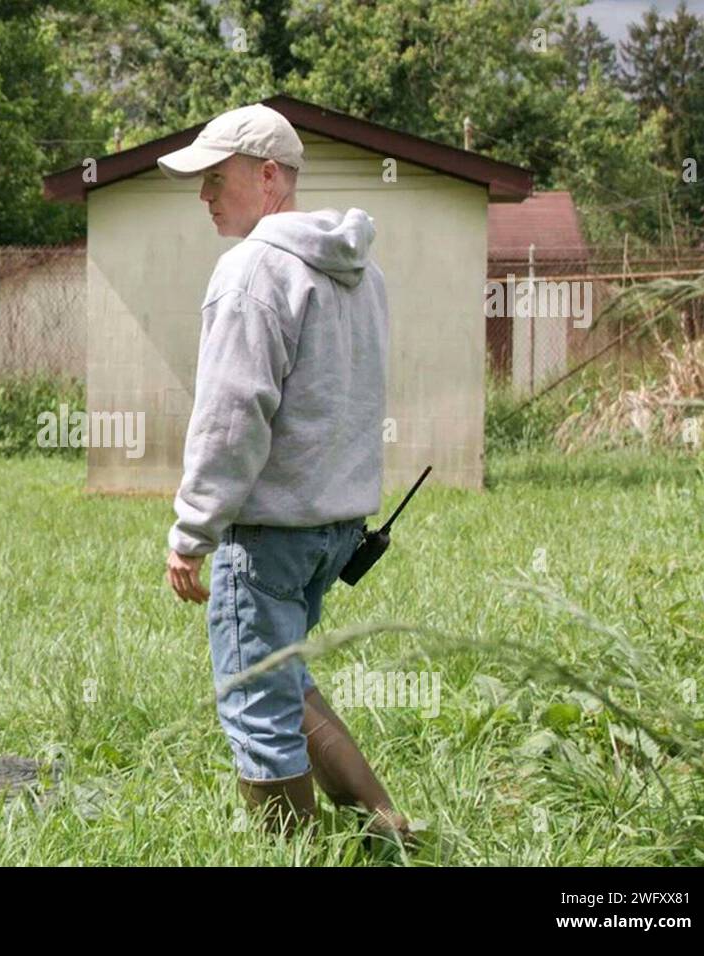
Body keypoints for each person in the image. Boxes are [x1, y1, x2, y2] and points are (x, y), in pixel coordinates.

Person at [157, 103, 411, 844]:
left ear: (268, 175)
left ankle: (295, 858)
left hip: (267, 538)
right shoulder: (363, 273)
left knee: (254, 702)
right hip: (333, 531)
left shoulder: (251, 272)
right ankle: (387, 828)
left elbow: (232, 418)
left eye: (215, 178)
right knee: (286, 677)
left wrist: (191, 531)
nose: (204, 195)